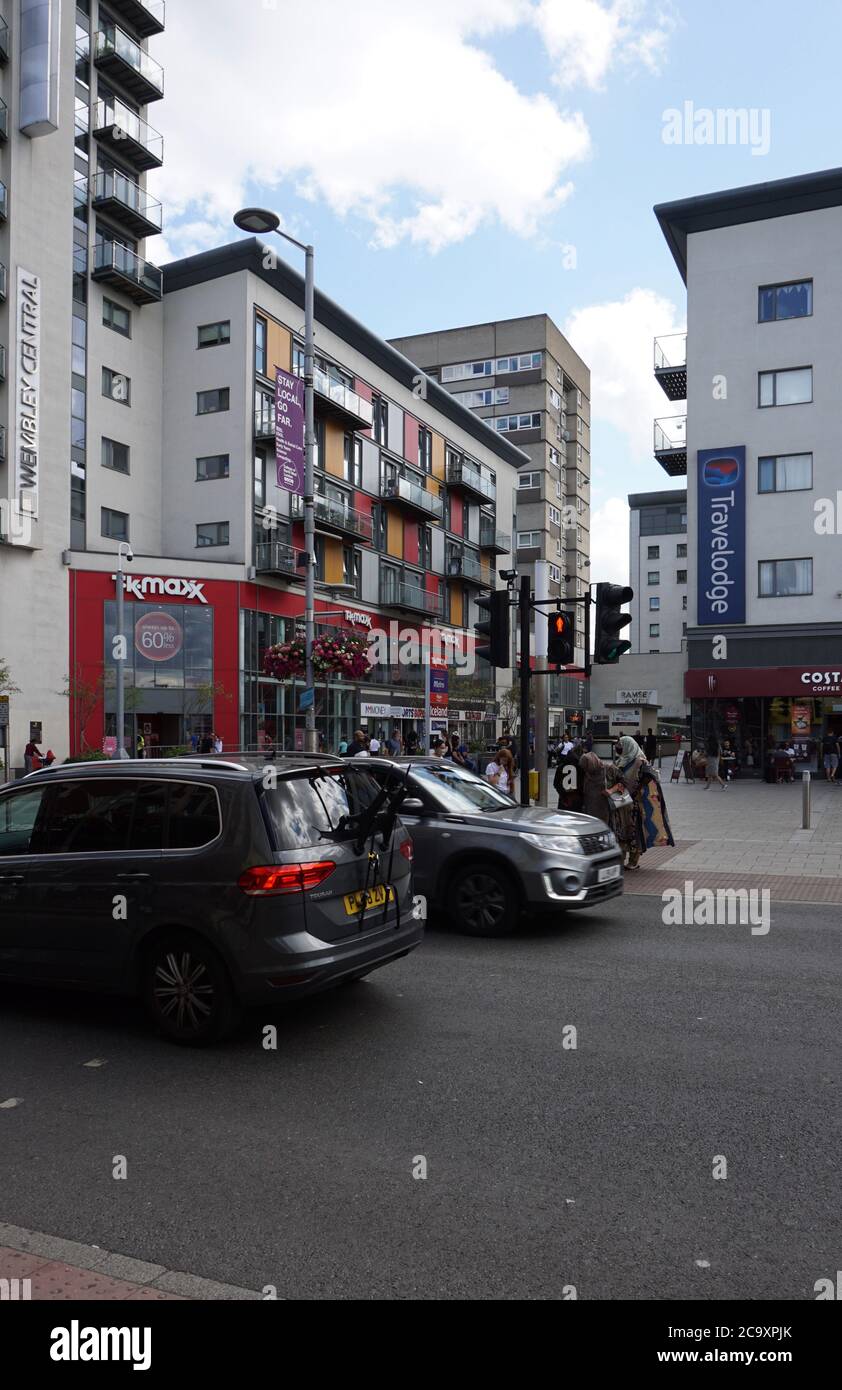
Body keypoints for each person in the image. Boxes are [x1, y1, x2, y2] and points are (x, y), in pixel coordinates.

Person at [608, 735, 674, 868]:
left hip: (635, 805)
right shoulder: (621, 761)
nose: (618, 748)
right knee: (621, 831)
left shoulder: (640, 761)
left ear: (628, 746)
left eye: (621, 746)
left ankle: (633, 861)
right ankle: (620, 859)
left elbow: (651, 779)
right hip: (621, 803)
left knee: (634, 832)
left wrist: (637, 790)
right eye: (618, 746)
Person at [579, 750, 611, 824]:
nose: (585, 770)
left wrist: (611, 790)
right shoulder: (587, 774)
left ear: (591, 764)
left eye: (586, 767)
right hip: (589, 809)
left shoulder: (608, 768)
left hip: (603, 808)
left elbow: (623, 781)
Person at [553, 744, 582, 812]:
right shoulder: (580, 767)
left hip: (564, 800)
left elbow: (555, 784)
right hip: (577, 799)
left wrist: (562, 792)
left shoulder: (561, 767)